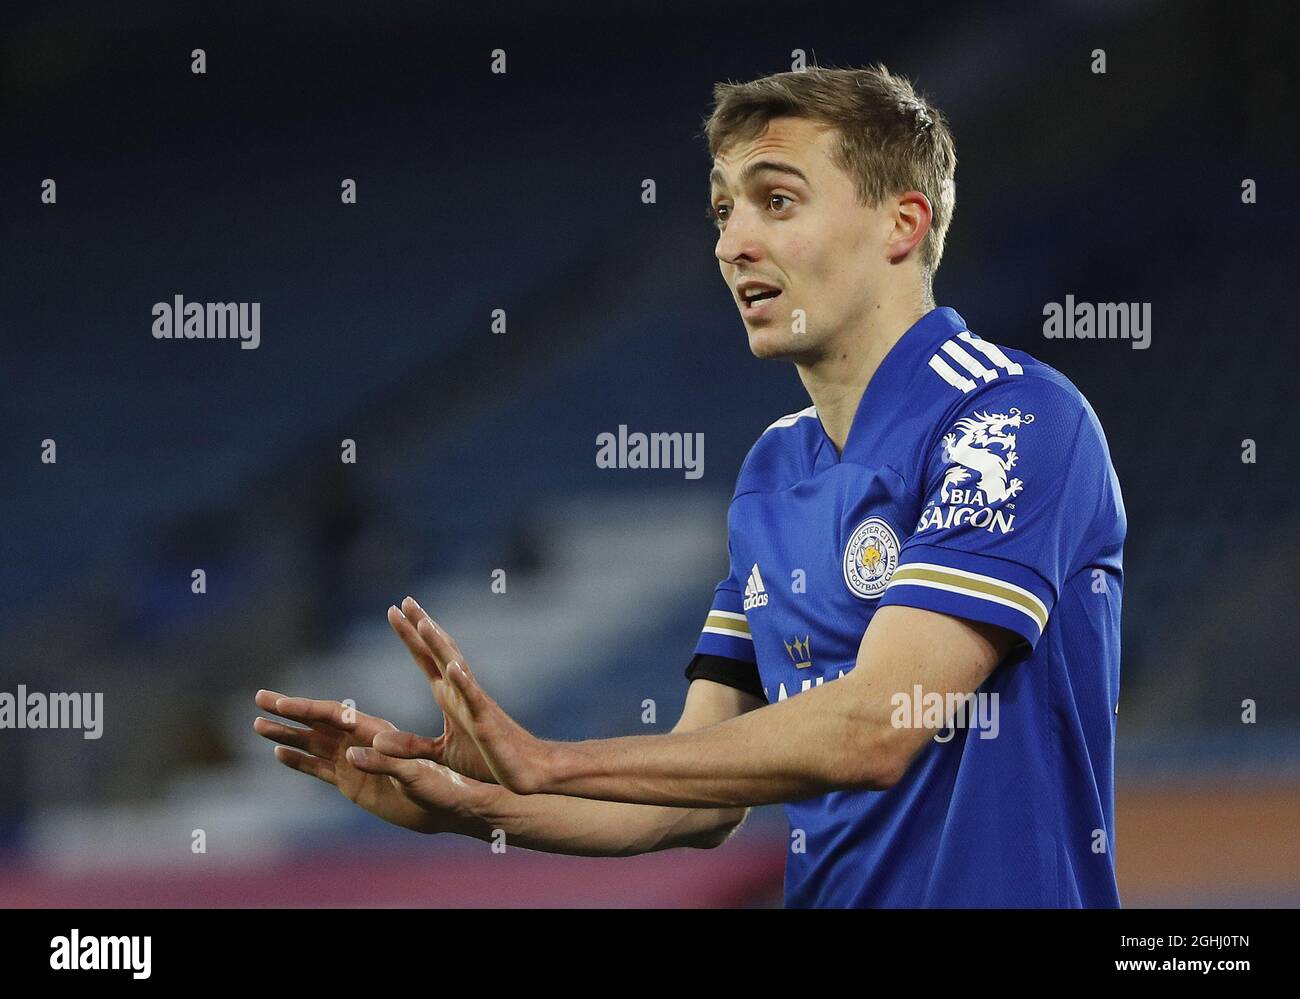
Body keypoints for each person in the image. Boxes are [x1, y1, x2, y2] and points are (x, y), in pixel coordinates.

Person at [255, 64, 1126, 907]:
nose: (730, 242)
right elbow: (699, 789)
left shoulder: (1011, 420)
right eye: (722, 210)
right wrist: (469, 805)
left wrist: (548, 759)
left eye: (775, 201)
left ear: (901, 224)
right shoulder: (772, 471)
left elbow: (878, 725)